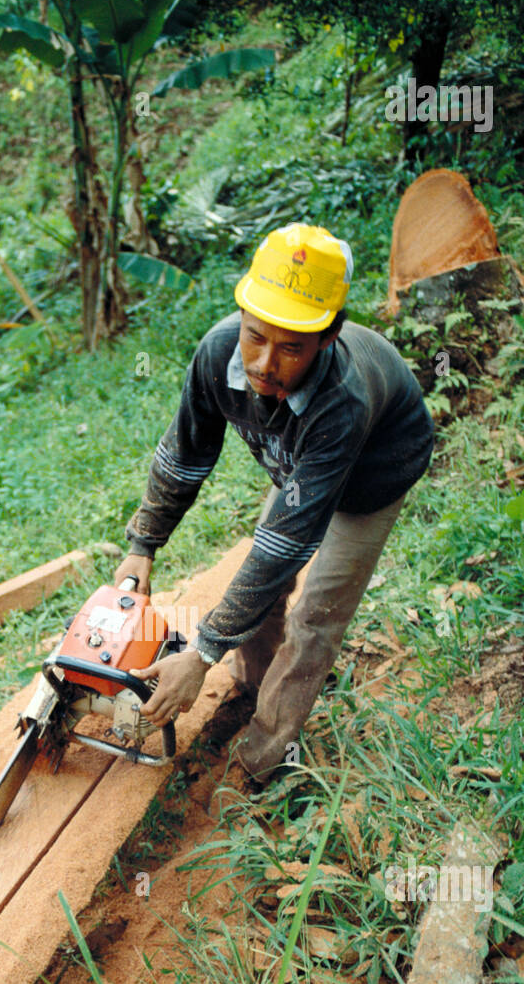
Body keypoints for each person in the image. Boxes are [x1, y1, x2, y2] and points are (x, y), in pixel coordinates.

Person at [114, 222, 435, 784]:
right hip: (300, 468)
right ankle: (254, 691)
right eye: (255, 335)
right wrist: (144, 545)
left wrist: (201, 653)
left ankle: (261, 763)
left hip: (373, 477)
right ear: (241, 317)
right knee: (257, 596)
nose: (264, 362)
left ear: (328, 338)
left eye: (291, 348)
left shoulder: (342, 400)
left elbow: (285, 544)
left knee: (316, 618)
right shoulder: (218, 355)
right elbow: (184, 455)